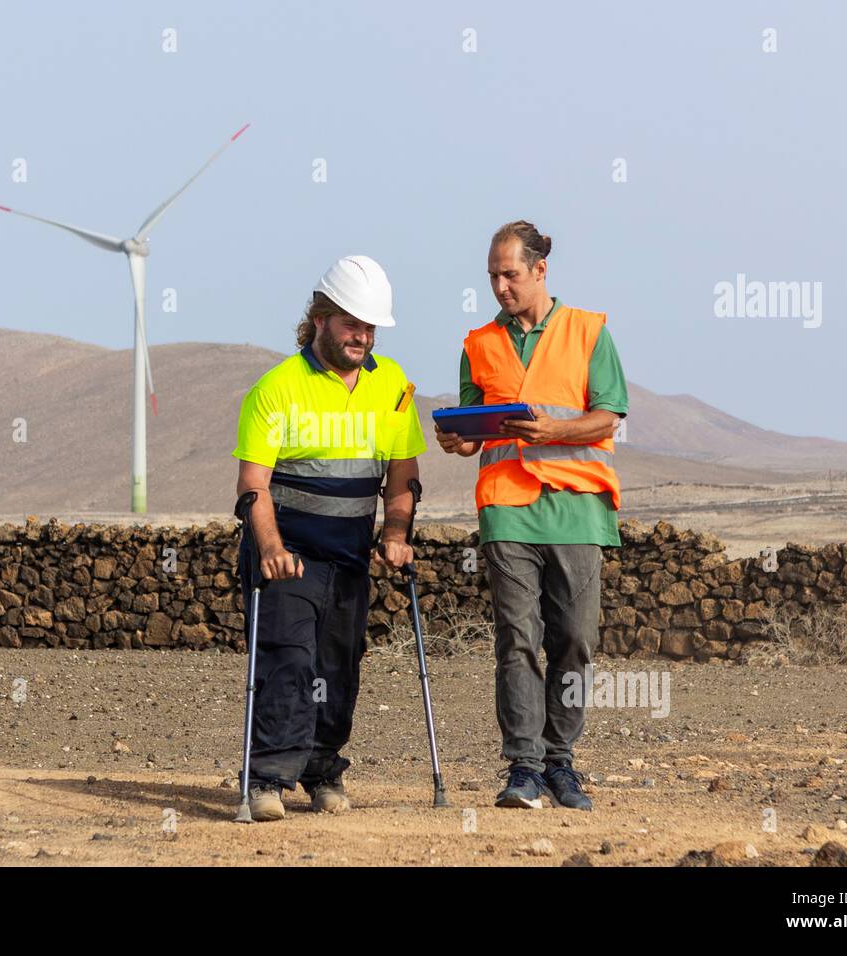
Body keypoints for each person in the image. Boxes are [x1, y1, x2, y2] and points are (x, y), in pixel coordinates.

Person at [435, 221, 628, 811]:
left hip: (577, 509)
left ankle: (560, 762)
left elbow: (608, 416)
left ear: (540, 270)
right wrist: (458, 441)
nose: (499, 286)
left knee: (575, 640)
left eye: (509, 274)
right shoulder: (477, 343)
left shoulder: (588, 331)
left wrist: (553, 430)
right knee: (517, 639)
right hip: (507, 510)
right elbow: (474, 428)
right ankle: (522, 768)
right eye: (492, 275)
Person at [232, 255, 426, 821]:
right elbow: (252, 486)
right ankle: (266, 778)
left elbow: (402, 474)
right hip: (286, 558)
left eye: (370, 327)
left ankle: (322, 771)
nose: (362, 336)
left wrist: (395, 533)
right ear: (320, 318)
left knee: (338, 666)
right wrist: (270, 549)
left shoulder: (392, 386)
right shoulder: (275, 389)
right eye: (351, 324)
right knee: (288, 660)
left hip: (349, 560)